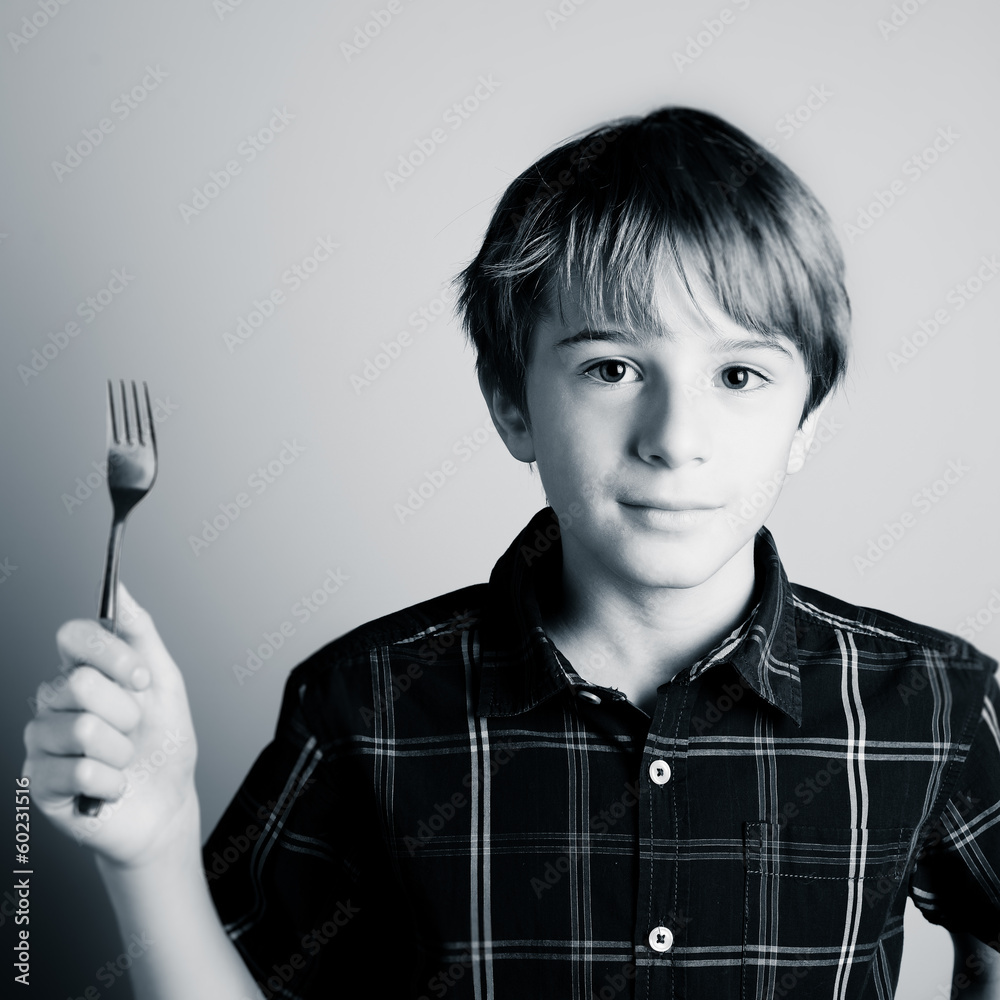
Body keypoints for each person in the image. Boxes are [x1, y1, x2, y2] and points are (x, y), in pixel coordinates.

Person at [23, 107, 1000, 999]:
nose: (675, 433)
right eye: (611, 367)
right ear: (511, 404)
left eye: (739, 373)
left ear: (805, 421)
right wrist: (145, 852)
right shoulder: (364, 705)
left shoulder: (936, 702)